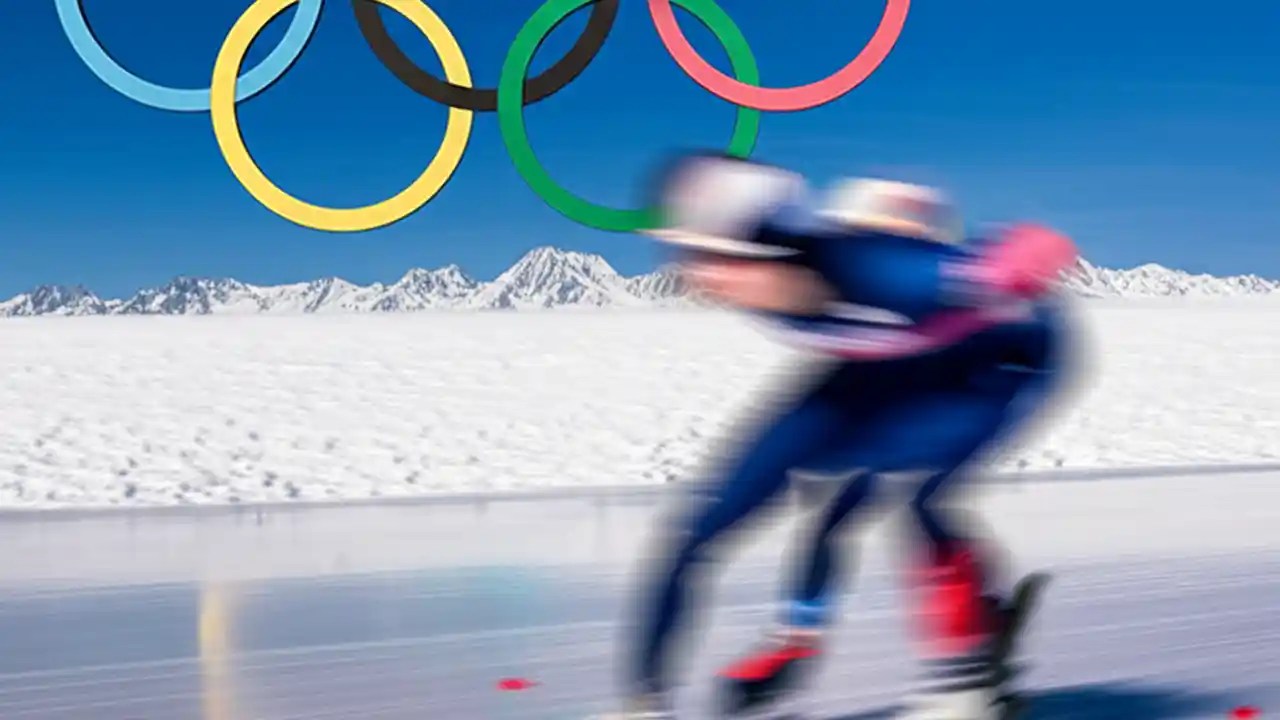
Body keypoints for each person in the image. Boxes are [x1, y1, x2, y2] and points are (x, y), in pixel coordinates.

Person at [604, 152, 1077, 720]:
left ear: (769, 251)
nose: (693, 275)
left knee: (921, 497)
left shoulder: (885, 271)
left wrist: (1012, 262)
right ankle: (642, 706)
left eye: (710, 256)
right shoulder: (777, 269)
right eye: (687, 254)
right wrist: (798, 639)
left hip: (1002, 363)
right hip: (883, 361)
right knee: (698, 529)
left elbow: (1035, 250)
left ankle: (968, 682)